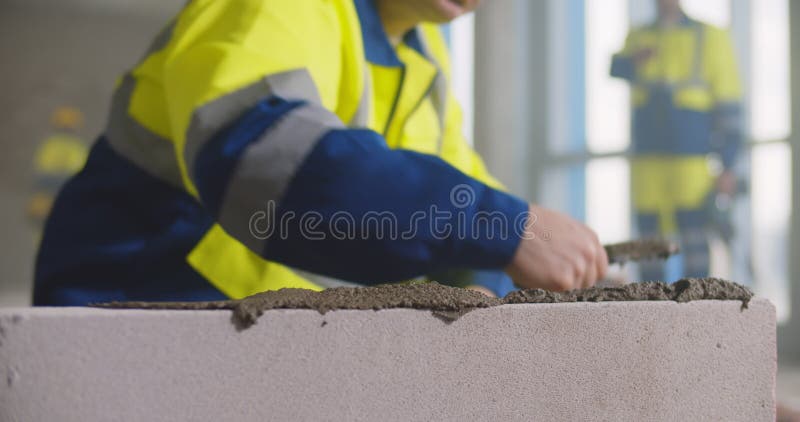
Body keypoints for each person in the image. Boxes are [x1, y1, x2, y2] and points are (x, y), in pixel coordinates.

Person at [34, 0, 607, 305]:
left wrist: (484, 277)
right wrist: (504, 226)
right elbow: (267, 164)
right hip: (140, 314)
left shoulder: (422, 56)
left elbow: (473, 209)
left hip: (270, 342)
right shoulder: (270, 6)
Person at [610, 0, 743, 280]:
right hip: (647, 164)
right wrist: (633, 61)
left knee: (695, 247)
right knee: (648, 251)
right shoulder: (639, 35)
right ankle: (650, 307)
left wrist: (728, 164)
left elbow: (729, 105)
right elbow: (615, 67)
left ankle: (696, 305)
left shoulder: (709, 37)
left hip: (690, 164)